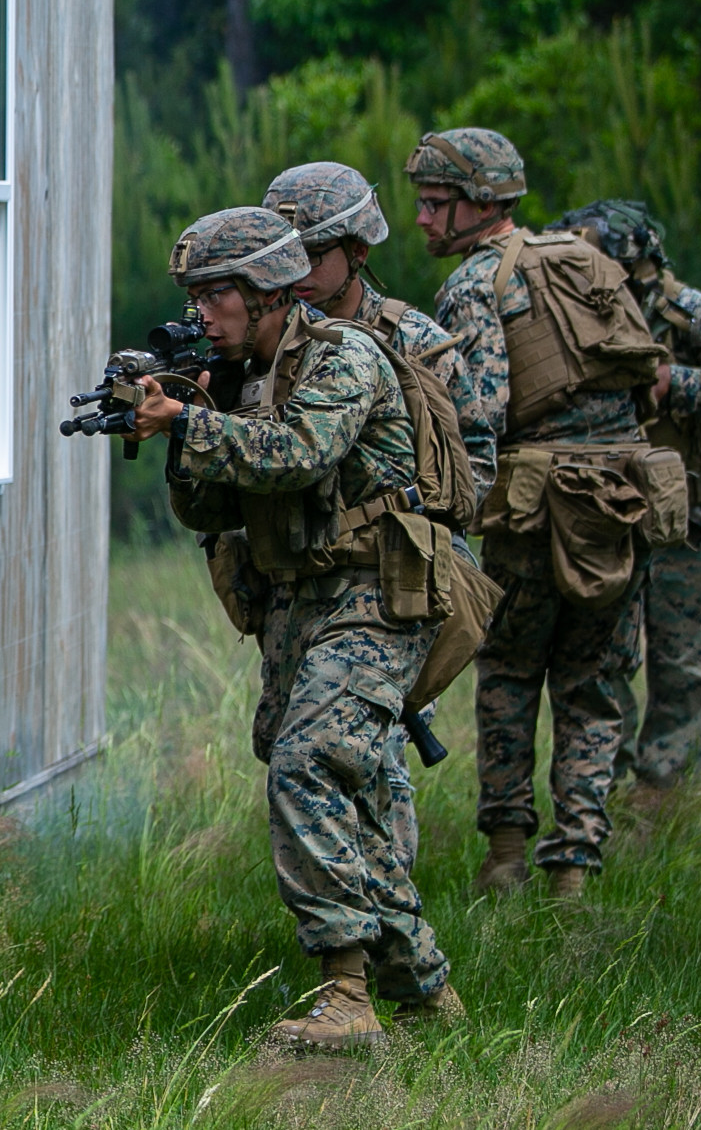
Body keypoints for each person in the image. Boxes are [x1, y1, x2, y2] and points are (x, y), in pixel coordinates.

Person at [128, 206, 460, 1048]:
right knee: (347, 794)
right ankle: (423, 993)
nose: (202, 312)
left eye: (216, 294)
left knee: (309, 767)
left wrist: (193, 424)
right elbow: (210, 504)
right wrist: (184, 422)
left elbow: (296, 454)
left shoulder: (341, 355)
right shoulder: (237, 376)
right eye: (195, 296)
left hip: (377, 590)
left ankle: (346, 998)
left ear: (269, 292)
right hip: (297, 603)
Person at [415, 129, 664, 900]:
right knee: (594, 682)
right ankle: (576, 869)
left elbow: (477, 410)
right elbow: (644, 384)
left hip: (532, 511)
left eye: (433, 203)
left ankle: (505, 858)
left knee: (510, 673)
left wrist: (449, 511)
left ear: (479, 203)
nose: (421, 219)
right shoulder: (585, 261)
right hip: (620, 501)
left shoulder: (471, 285)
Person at [265, 160, 491, 872]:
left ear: (356, 252)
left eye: (314, 253)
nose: (295, 269)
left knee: (366, 750)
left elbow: (472, 460)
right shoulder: (266, 342)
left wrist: (413, 523)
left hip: (386, 579)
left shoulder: (412, 339)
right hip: (295, 575)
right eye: (283, 254)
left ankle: (381, 930)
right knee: (287, 744)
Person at [545, 200, 701, 792]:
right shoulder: (563, 318)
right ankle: (604, 792)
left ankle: (665, 803)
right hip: (602, 519)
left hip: (691, 521)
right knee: (598, 664)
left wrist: (676, 383)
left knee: (691, 668)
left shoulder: (692, 317)